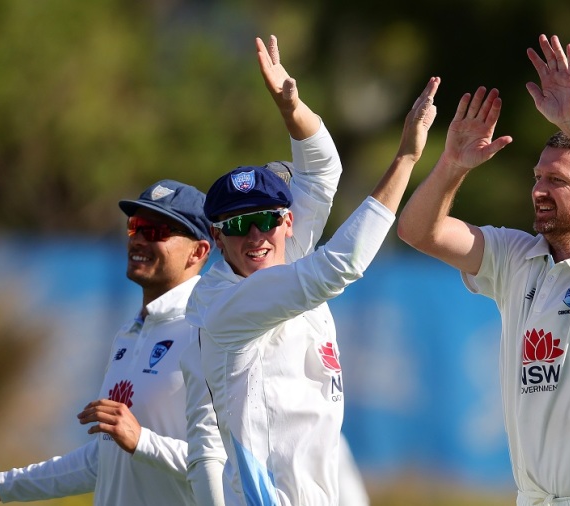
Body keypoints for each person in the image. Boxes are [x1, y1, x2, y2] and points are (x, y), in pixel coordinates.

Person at [398, 34, 570, 506]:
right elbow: (418, 231)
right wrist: (451, 165)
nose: (539, 190)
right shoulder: (517, 257)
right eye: (537, 178)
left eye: (557, 180)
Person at [184, 29, 439, 503]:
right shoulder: (226, 302)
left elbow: (322, 171)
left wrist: (291, 110)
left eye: (264, 220)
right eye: (238, 227)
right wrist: (405, 157)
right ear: (215, 237)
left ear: (287, 221)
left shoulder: (282, 252)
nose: (256, 237)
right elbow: (338, 267)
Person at [0, 179, 215, 505]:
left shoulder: (209, 333)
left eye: (155, 232)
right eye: (135, 227)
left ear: (199, 251)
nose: (138, 239)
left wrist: (142, 441)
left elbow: (227, 466)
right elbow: (104, 460)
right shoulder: (129, 332)